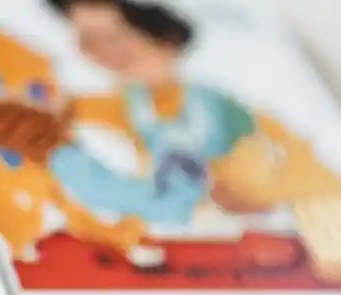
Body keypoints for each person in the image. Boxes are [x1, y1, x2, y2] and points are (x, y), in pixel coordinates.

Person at [44, 0, 256, 225]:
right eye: (87, 40)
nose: (100, 52)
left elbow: (261, 156)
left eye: (113, 37)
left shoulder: (214, 104)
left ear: (167, 39)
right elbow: (60, 113)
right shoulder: (124, 104)